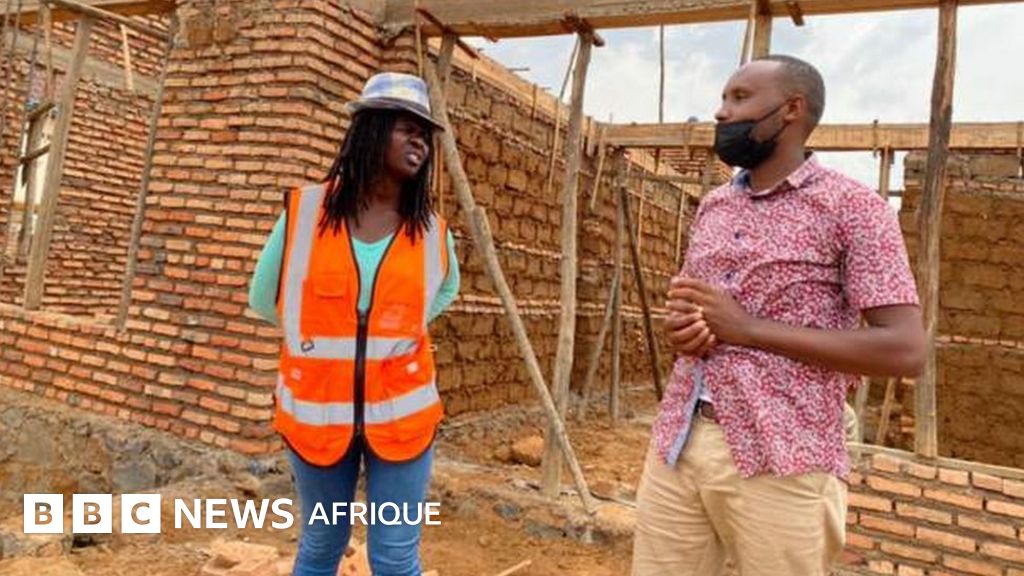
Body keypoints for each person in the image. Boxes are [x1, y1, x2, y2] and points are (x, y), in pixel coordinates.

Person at [631, 55, 926, 576]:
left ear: (792, 109)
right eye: (723, 98)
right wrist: (684, 331)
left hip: (784, 456)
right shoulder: (715, 206)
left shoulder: (853, 208)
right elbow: (705, 321)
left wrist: (747, 329)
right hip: (680, 439)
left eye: (740, 98)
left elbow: (904, 348)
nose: (722, 112)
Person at [248, 72, 460, 576]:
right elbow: (264, 298)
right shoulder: (305, 213)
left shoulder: (431, 231)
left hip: (403, 419)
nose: (419, 143)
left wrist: (394, 328)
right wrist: (327, 332)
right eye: (406, 129)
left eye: (424, 135)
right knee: (323, 540)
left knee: (394, 556)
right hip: (317, 417)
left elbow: (445, 290)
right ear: (370, 129)